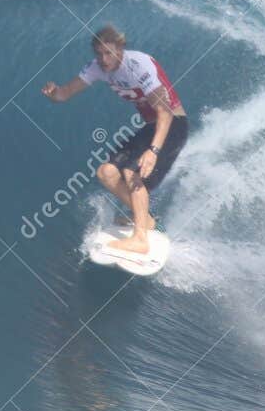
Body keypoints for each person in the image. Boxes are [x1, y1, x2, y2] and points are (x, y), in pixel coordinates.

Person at [40, 24, 188, 254]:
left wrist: (154, 151)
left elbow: (165, 112)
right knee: (106, 173)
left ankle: (140, 239)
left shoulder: (139, 65)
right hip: (150, 127)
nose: (104, 59)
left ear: (121, 49)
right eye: (99, 54)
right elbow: (65, 93)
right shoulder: (98, 68)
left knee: (132, 172)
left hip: (172, 125)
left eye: (109, 53)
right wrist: (54, 93)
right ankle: (146, 221)